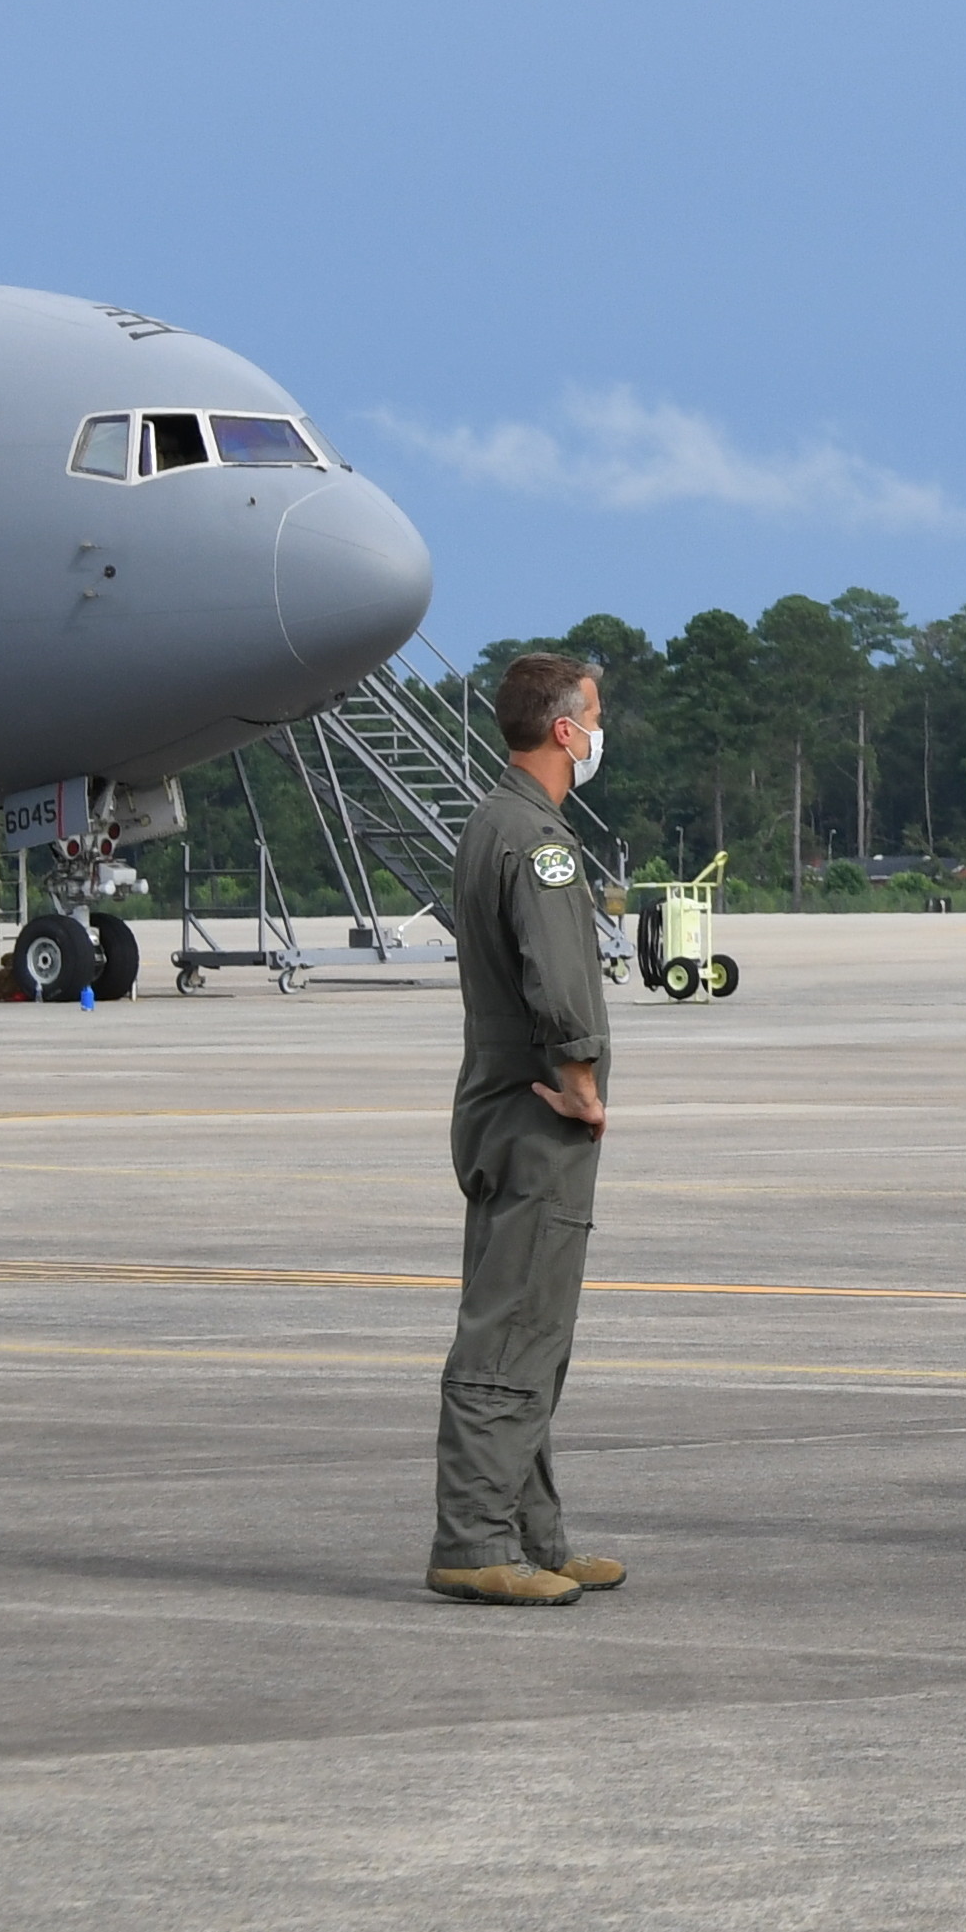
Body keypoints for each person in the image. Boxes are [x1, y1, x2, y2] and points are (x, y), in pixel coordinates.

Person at [426, 653, 625, 1604]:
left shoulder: (491, 822)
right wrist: (582, 1082)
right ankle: (472, 1539)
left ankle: (533, 1532)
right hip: (536, 1111)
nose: (599, 735)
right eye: (594, 718)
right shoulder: (541, 844)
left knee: (531, 1328)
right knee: (512, 1330)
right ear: (563, 731)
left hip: (494, 1102)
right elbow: (559, 980)